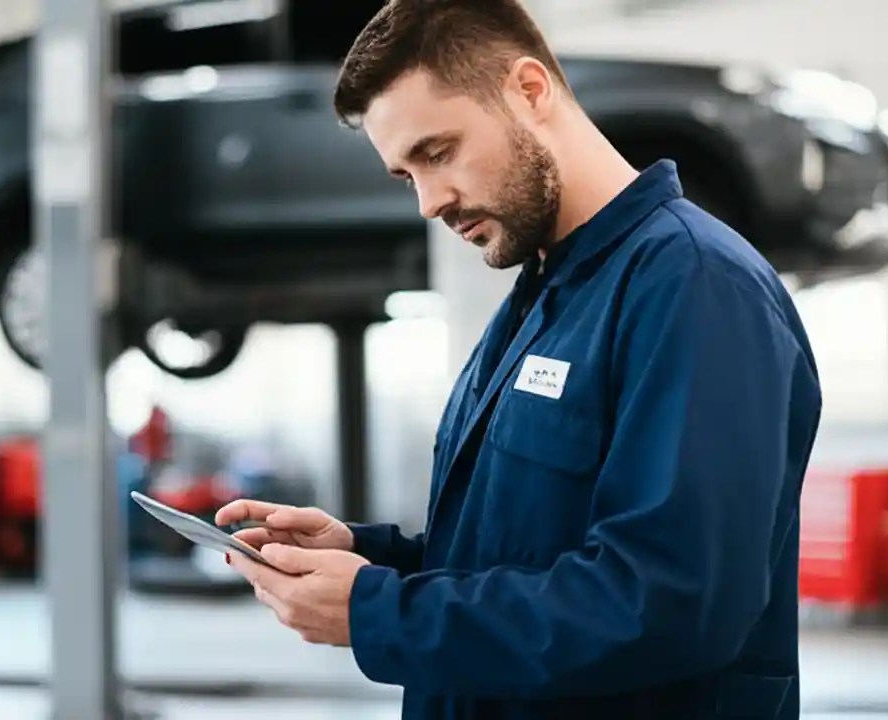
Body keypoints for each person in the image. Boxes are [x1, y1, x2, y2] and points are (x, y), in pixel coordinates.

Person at [216, 0, 823, 717]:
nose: (429, 202)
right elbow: (518, 554)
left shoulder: (695, 285)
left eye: (438, 152)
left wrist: (378, 611)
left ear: (529, 90)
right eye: (407, 175)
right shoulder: (541, 296)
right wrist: (368, 558)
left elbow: (671, 603)